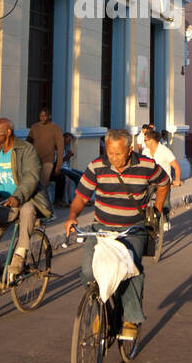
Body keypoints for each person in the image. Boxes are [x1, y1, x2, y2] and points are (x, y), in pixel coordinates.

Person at [64, 128, 170, 343]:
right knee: (88, 271)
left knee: (130, 270)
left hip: (132, 229)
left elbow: (164, 182)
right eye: (110, 153)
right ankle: (99, 309)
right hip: (101, 227)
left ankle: (130, 317)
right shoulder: (97, 166)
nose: (114, 158)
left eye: (118, 154)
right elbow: (81, 197)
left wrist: (157, 209)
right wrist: (72, 216)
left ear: (130, 150)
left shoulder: (146, 166)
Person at [0, 118, 51, 281]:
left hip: (27, 200)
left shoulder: (26, 150)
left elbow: (31, 176)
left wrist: (18, 196)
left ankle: (20, 254)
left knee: (27, 210)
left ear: (8, 132)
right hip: (5, 204)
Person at [27, 108, 64, 209]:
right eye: (40, 116)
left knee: (43, 186)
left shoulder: (56, 128)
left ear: (49, 116)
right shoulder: (34, 127)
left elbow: (60, 148)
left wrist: (58, 166)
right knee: (33, 184)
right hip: (34, 160)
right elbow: (28, 143)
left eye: (44, 116)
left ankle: (47, 209)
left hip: (48, 161)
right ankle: (39, 208)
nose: (42, 118)